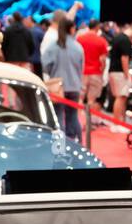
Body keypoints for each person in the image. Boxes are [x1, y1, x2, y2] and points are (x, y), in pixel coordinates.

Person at [43, 13, 84, 143]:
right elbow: (81, 67)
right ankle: (76, 145)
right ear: (71, 29)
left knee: (58, 117)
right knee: (73, 116)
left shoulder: (53, 46)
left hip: (58, 88)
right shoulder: (78, 47)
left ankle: (59, 148)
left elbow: (46, 66)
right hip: (74, 86)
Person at [77, 18, 108, 108]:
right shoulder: (101, 41)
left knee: (80, 98)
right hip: (96, 72)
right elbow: (103, 60)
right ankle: (89, 120)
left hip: (82, 72)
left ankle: (78, 119)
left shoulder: (80, 39)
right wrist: (102, 73)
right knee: (91, 100)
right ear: (97, 27)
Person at [107, 21, 132, 121]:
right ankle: (117, 122)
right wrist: (126, 73)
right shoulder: (125, 40)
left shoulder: (118, 37)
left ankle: (120, 122)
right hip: (120, 72)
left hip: (114, 71)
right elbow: (124, 58)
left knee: (120, 97)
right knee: (121, 97)